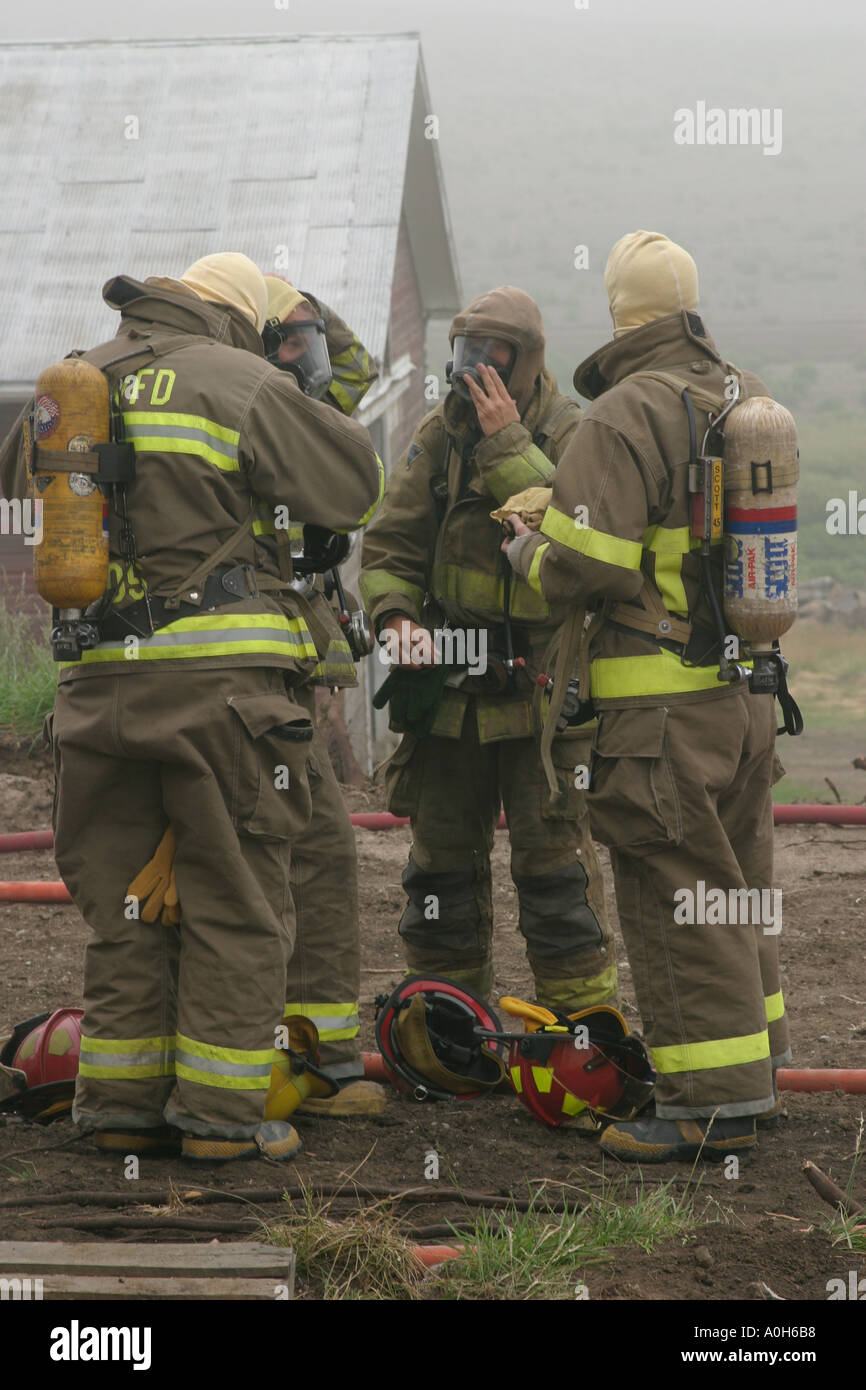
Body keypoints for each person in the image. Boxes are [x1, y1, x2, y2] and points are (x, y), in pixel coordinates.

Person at [41, 253, 381, 1162]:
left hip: (95, 695)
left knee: (125, 908)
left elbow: (18, 474)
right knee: (234, 902)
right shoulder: (242, 381)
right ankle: (222, 1122)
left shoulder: (81, 378)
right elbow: (354, 488)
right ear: (239, 320)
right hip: (220, 698)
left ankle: (118, 1106)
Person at [503, 231, 790, 1161]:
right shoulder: (738, 392)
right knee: (739, 891)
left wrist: (526, 544)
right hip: (742, 700)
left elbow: (583, 566)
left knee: (678, 894)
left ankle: (709, 1105)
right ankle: (758, 1069)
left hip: (659, 715)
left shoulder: (626, 410)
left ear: (620, 314)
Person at [360, 286, 617, 1021]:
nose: (476, 372)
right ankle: (448, 1027)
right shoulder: (441, 437)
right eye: (466, 353)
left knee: (556, 874)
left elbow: (576, 536)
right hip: (450, 698)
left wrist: (505, 444)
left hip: (544, 696)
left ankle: (584, 1036)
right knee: (440, 874)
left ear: (529, 363)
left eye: (494, 357)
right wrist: (396, 616)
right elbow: (389, 543)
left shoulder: (573, 434)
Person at [256, 274, 386, 1114]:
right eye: (280, 337)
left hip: (292, 654)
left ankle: (316, 1053)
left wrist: (300, 302)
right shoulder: (251, 409)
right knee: (303, 856)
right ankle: (307, 1058)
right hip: (258, 666)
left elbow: (356, 364)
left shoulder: (303, 402)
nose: (295, 352)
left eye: (300, 338)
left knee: (315, 852)